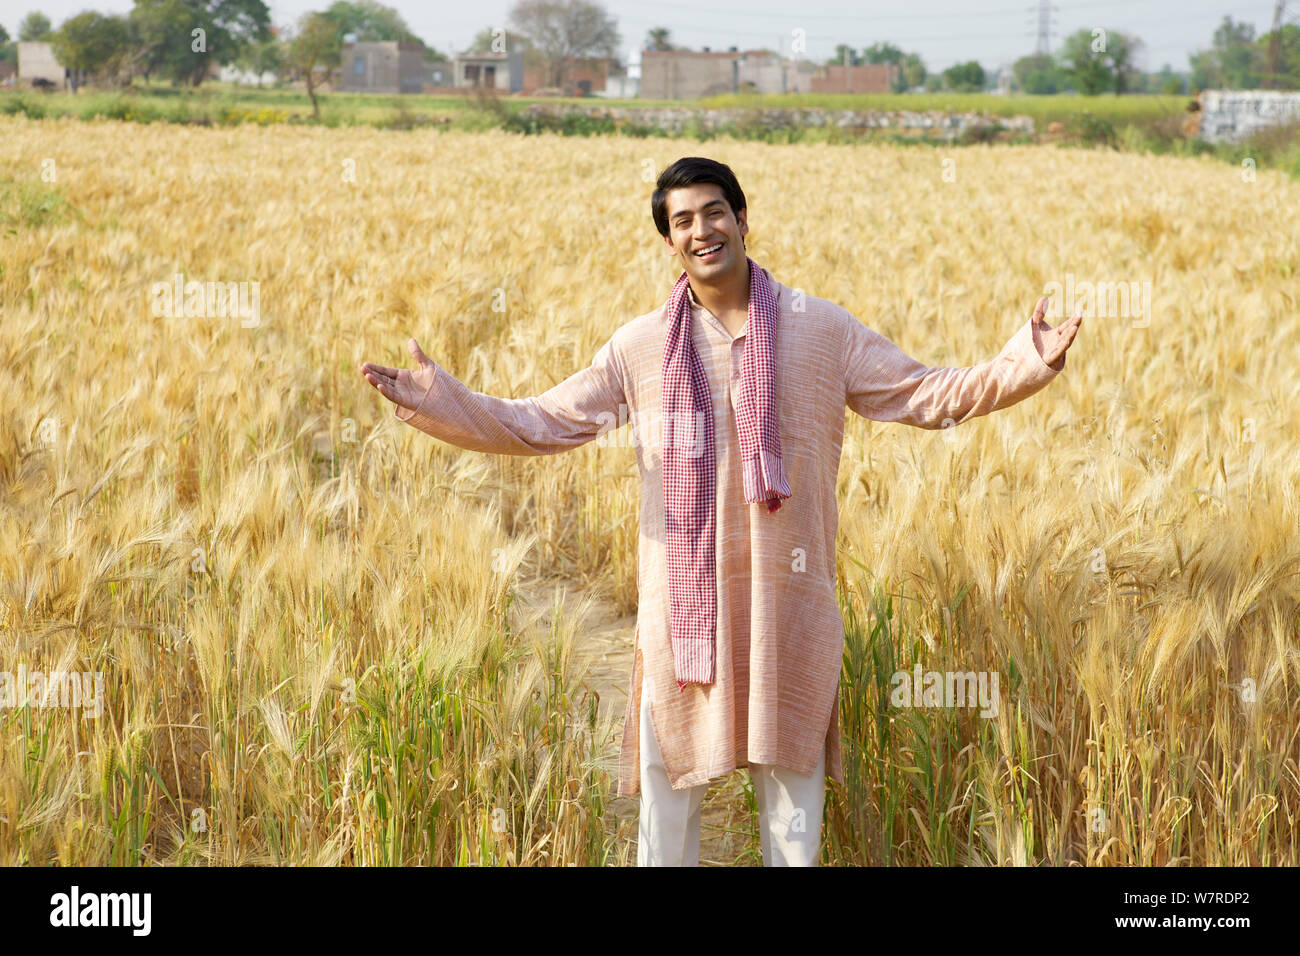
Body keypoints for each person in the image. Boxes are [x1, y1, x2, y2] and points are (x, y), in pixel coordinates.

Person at [360, 156, 1082, 866]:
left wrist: (1025, 363)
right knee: (665, 801)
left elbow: (926, 394)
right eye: (682, 221)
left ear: (742, 219)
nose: (701, 229)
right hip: (681, 607)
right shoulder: (639, 347)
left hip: (787, 600)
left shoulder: (821, 329)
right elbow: (543, 422)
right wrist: (440, 402)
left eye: (713, 212)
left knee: (793, 815)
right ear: (668, 241)